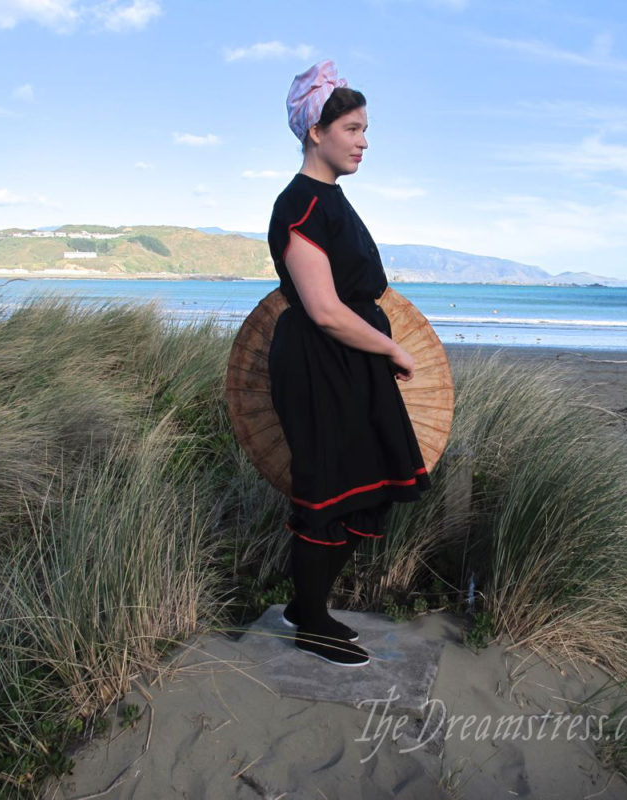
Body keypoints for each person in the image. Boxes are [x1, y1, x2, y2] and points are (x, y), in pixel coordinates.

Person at [267, 59, 431, 667]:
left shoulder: (332, 201)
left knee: (372, 486)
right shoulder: (299, 204)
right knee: (329, 489)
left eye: (365, 130)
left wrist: (377, 351)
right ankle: (311, 623)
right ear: (316, 132)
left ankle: (305, 606)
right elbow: (325, 310)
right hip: (320, 364)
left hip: (351, 363)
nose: (364, 142)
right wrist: (391, 348)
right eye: (353, 129)